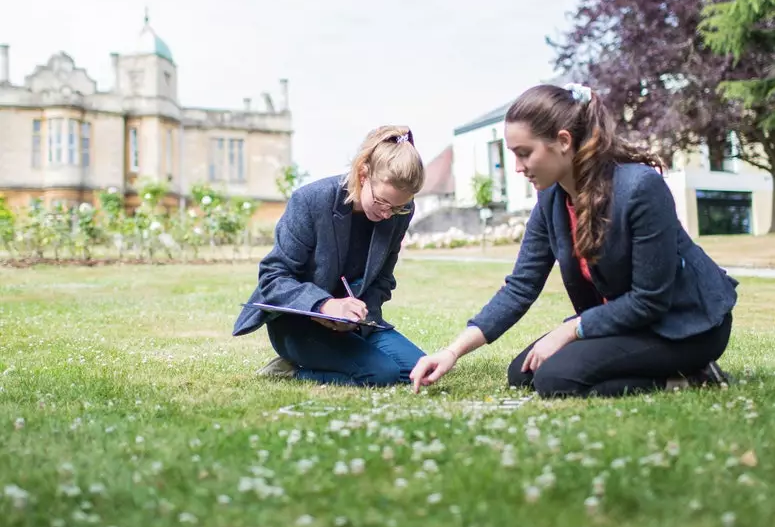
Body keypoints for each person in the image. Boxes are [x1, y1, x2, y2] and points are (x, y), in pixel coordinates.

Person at [410, 83, 737, 398]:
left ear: (563, 141)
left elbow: (649, 301)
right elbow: (521, 286)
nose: (518, 167)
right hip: (627, 323)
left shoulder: (639, 189)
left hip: (684, 325)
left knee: (557, 378)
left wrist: (569, 330)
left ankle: (689, 376)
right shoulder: (551, 199)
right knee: (522, 374)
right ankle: (668, 372)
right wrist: (452, 351)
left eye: (525, 154)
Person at [234, 125, 426, 386]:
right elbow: (272, 278)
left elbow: (382, 279)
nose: (387, 215)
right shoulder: (310, 201)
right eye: (382, 202)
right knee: (381, 374)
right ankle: (289, 370)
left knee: (421, 371)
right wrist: (326, 306)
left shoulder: (400, 210)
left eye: (398, 208)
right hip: (298, 324)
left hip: (355, 325)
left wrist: (360, 313)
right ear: (362, 174)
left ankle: (351, 355)